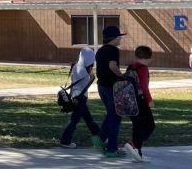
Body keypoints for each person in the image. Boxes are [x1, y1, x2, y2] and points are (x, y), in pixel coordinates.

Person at [60, 45, 103, 150]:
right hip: (81, 98)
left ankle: (100, 137)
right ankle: (65, 141)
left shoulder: (75, 66)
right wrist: (92, 75)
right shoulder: (84, 71)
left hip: (75, 95)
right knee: (74, 120)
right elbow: (89, 80)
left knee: (89, 120)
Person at [95, 26, 126, 158]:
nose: (120, 39)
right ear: (114, 38)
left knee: (111, 114)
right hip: (111, 87)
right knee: (116, 117)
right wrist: (123, 77)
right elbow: (112, 66)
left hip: (101, 86)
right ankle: (112, 149)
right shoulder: (113, 50)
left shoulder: (100, 50)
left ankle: (100, 139)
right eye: (119, 36)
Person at [123, 46, 156, 163]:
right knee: (150, 125)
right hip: (140, 101)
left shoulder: (131, 67)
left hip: (128, 101)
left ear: (136, 56)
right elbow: (144, 86)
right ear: (150, 57)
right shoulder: (143, 68)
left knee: (137, 126)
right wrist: (149, 100)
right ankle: (134, 145)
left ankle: (138, 153)